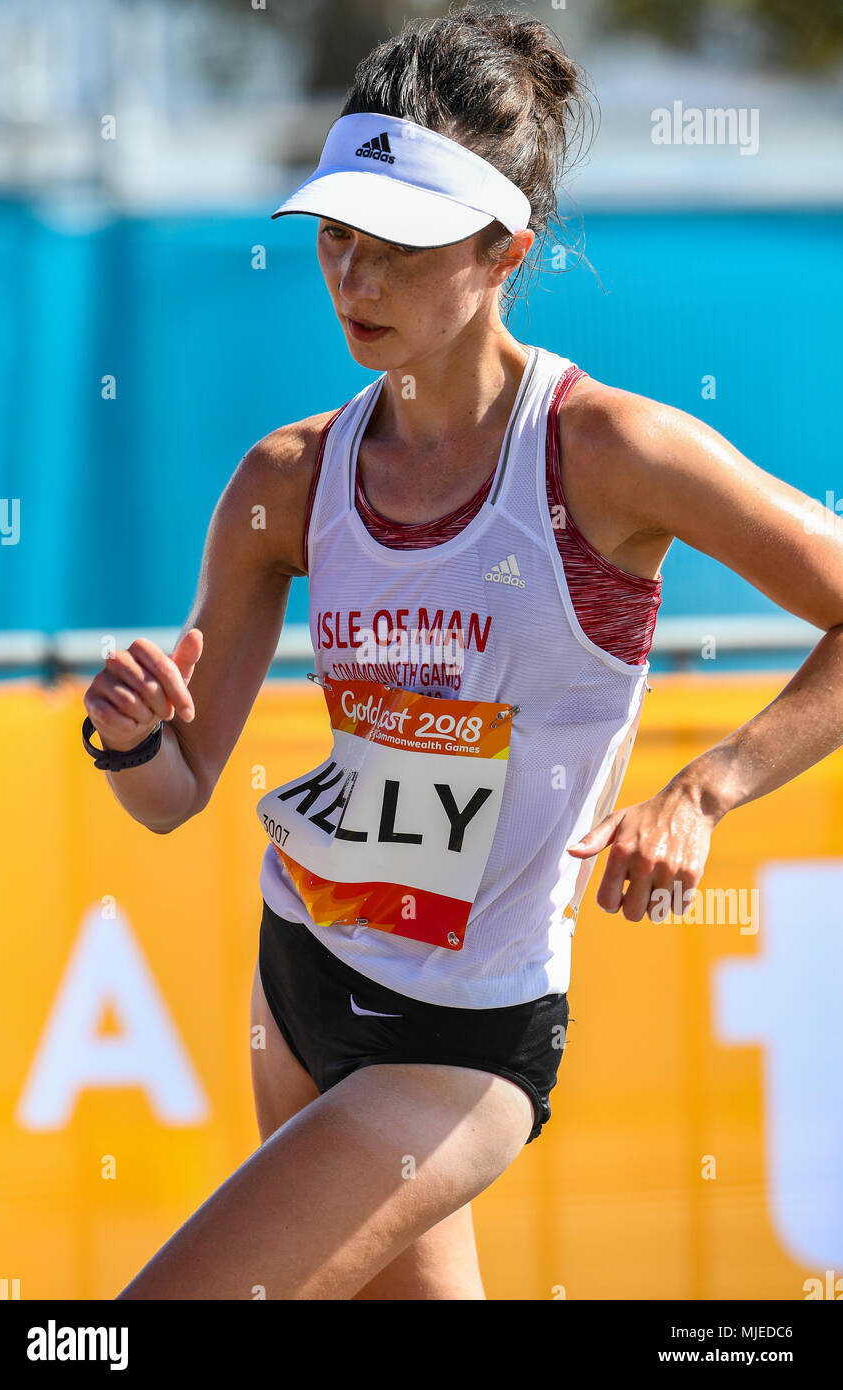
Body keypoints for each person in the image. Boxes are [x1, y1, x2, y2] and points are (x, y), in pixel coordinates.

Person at [81, 6, 843, 1300]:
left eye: (400, 245)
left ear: (504, 250)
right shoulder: (284, 479)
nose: (354, 277)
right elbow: (172, 795)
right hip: (300, 977)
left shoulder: (608, 452)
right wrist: (130, 737)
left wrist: (702, 788)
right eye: (336, 235)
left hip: (469, 1038)